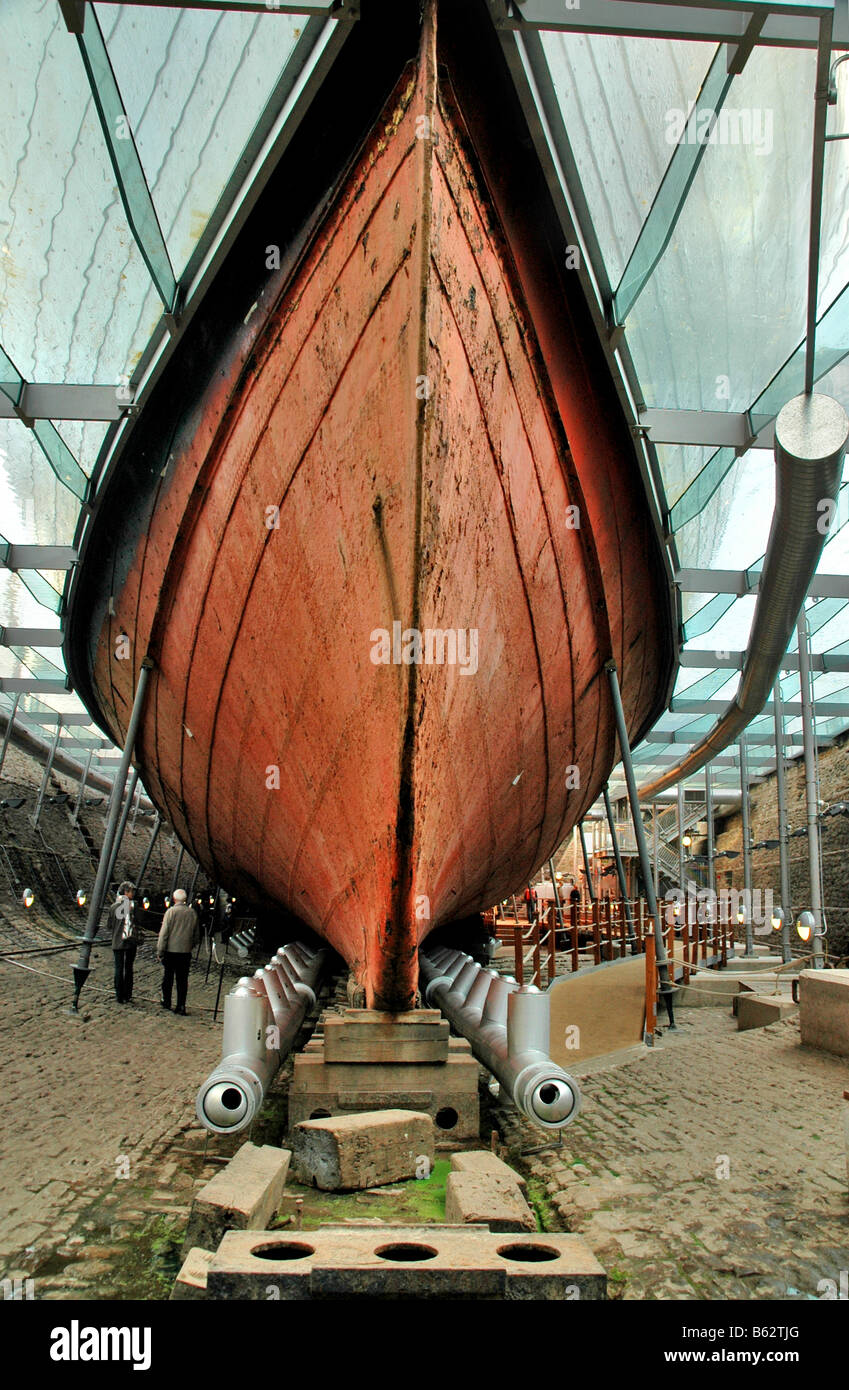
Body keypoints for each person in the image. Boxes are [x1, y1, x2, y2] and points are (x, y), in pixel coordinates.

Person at [157, 887, 200, 1015]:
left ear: (174, 899)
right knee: (182, 980)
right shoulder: (192, 913)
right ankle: (181, 1005)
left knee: (168, 978)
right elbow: (196, 935)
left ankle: (167, 1001)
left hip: (171, 951)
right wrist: (190, 945)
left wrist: (160, 950)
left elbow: (164, 934)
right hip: (185, 952)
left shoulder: (170, 912)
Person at [111, 881, 140, 1004]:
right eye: (131, 891)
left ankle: (119, 994)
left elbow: (109, 925)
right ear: (126, 892)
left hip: (117, 941)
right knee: (128, 968)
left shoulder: (114, 907)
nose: (133, 893)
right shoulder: (133, 906)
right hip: (130, 942)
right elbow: (138, 923)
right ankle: (127, 994)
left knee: (118, 968)